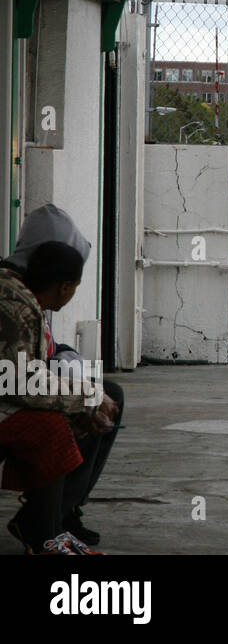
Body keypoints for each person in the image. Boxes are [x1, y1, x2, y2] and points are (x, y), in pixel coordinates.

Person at [3, 204, 122, 549]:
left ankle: (58, 515)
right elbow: (18, 381)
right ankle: (45, 530)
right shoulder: (14, 300)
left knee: (98, 397)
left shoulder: (25, 295)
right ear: (63, 284)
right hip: (9, 395)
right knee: (56, 423)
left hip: (12, 389)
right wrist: (86, 397)